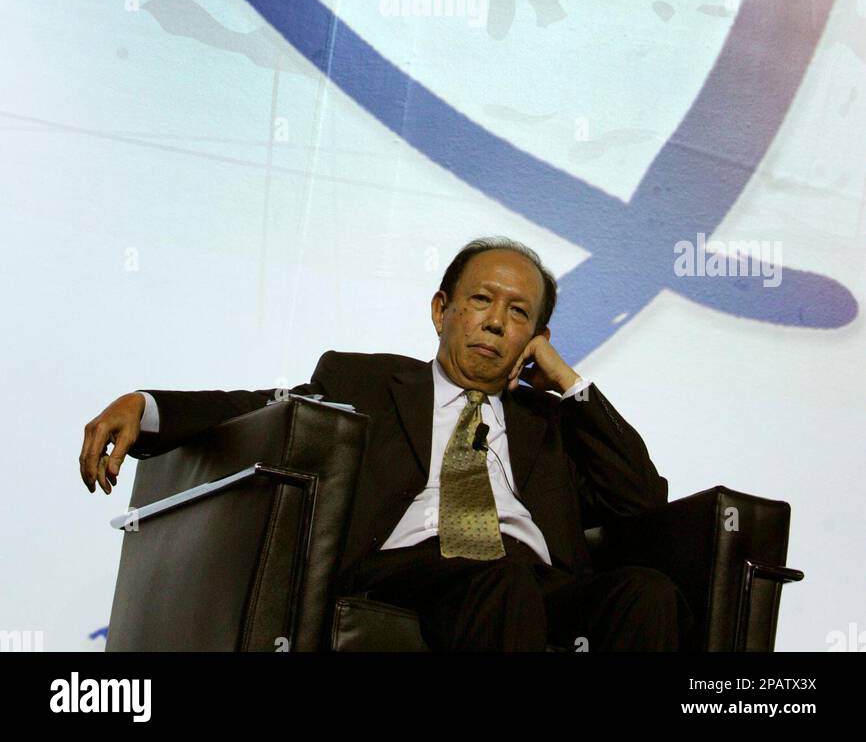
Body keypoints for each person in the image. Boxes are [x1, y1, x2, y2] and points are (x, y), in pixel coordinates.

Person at [80, 236, 694, 651]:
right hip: (411, 567)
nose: (496, 321)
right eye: (481, 300)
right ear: (441, 310)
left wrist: (569, 383)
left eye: (518, 313)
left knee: (647, 592)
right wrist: (150, 408)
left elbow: (640, 501)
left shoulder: (551, 421)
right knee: (496, 580)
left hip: (532, 579)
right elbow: (265, 410)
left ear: (536, 335)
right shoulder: (365, 381)